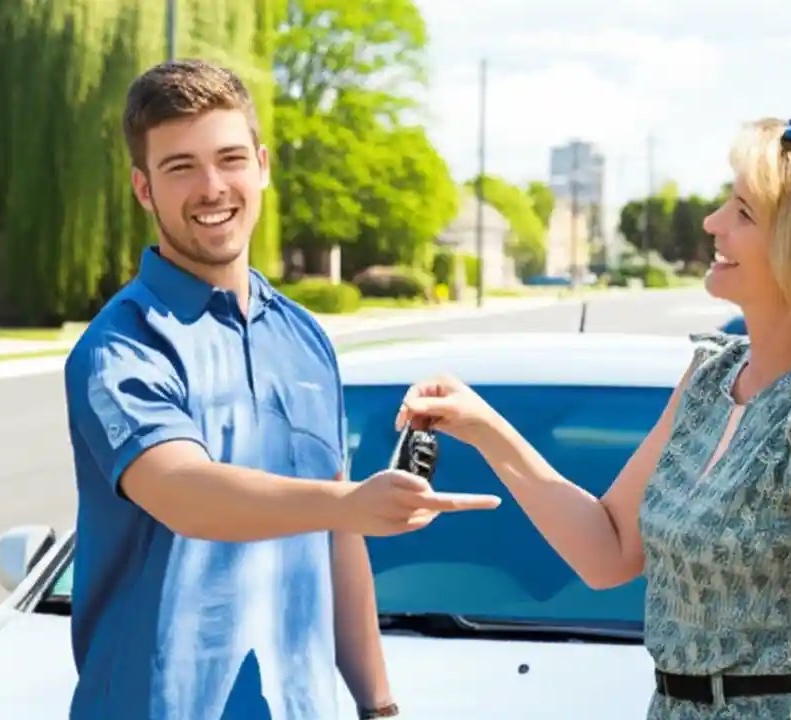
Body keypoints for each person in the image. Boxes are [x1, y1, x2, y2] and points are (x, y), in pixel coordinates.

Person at [397, 106, 791, 719]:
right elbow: (608, 550)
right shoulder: (711, 378)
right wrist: (485, 428)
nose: (712, 223)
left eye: (743, 212)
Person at [62, 59, 500, 720]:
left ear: (262, 166)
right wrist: (349, 503)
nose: (212, 187)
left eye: (230, 159)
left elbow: (338, 538)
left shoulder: (305, 337)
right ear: (143, 188)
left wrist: (378, 706)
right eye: (181, 167)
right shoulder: (122, 347)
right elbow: (183, 494)